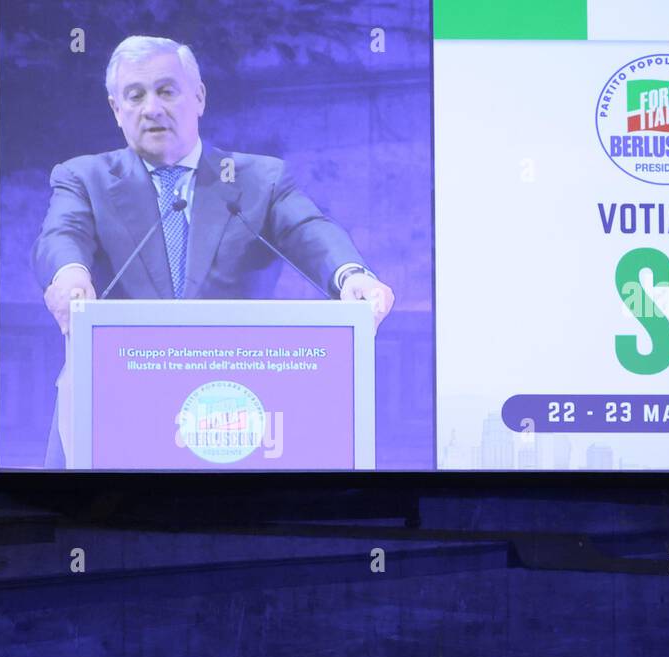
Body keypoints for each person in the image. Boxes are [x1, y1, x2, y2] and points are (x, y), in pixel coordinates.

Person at [31, 34, 396, 467]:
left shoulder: (260, 178)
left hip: (234, 413)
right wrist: (70, 273)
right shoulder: (84, 177)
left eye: (167, 91)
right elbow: (62, 233)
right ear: (116, 109)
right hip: (114, 402)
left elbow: (309, 230)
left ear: (199, 97)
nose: (152, 108)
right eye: (135, 95)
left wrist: (352, 276)